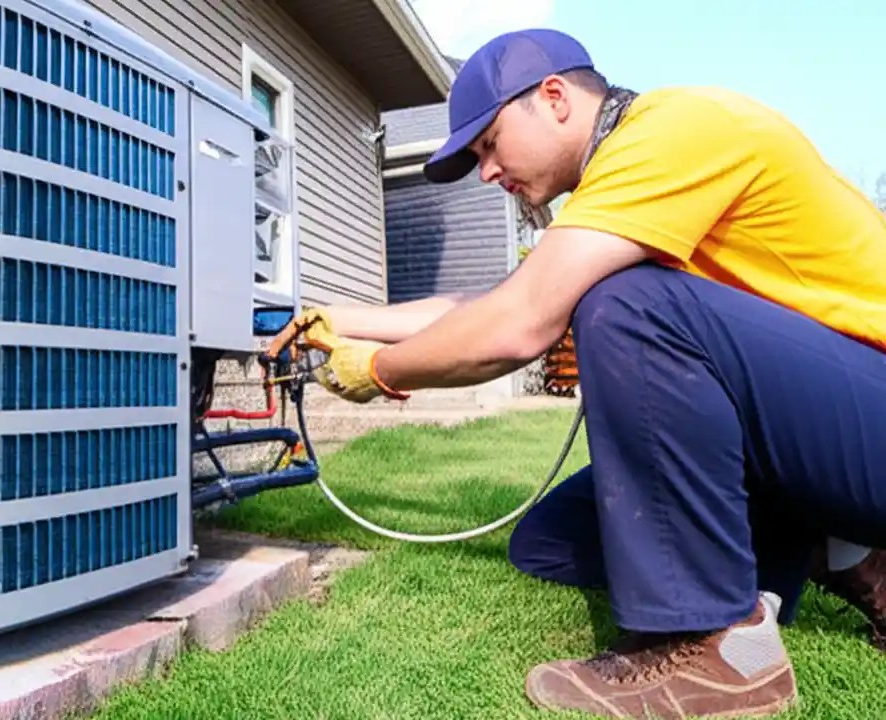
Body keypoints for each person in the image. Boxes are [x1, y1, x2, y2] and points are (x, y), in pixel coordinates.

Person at [282, 27, 886, 718]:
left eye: (489, 144)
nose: (488, 172)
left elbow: (521, 323)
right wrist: (343, 320)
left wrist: (381, 371)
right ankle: (839, 551)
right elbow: (492, 302)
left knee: (626, 303)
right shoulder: (620, 181)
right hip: (827, 427)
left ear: (554, 97)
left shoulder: (677, 129)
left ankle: (720, 650)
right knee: (550, 541)